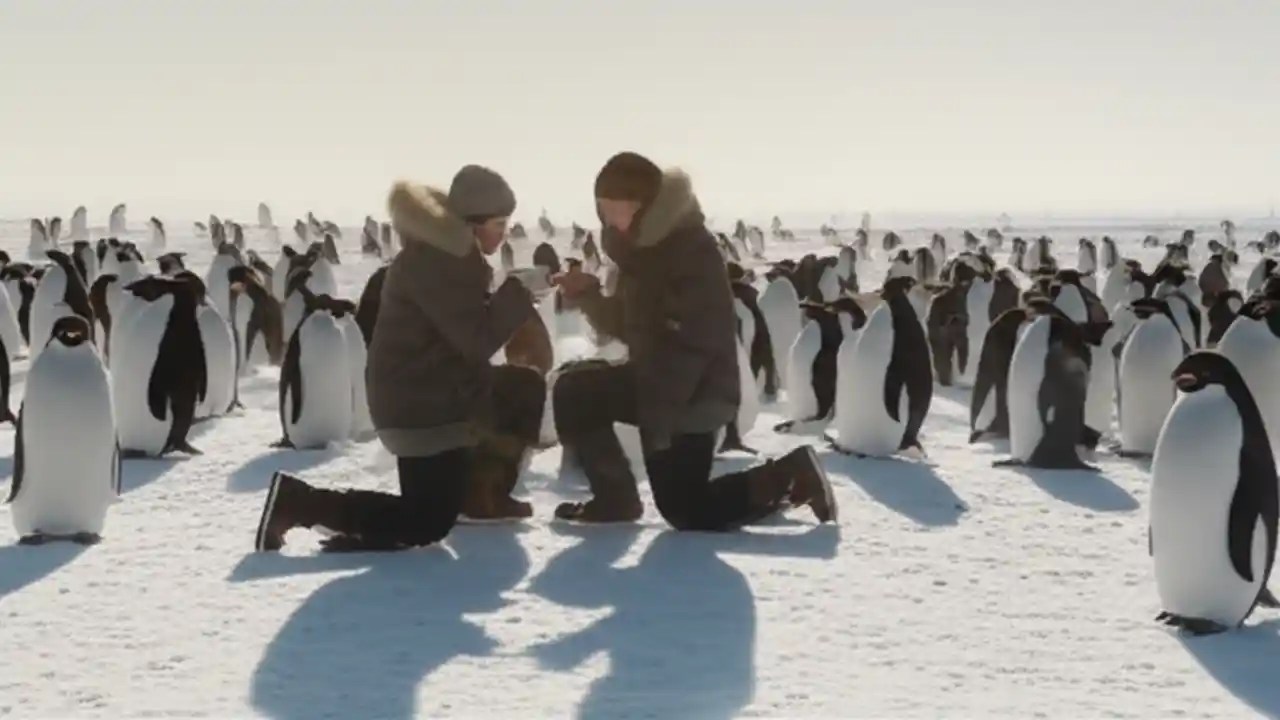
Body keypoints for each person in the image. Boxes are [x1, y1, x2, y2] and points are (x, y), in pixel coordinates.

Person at [255, 165, 545, 552]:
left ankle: (480, 495)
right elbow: (476, 340)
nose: (504, 233)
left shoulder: (449, 256)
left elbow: (461, 328)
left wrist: (515, 294)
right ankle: (302, 504)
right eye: (498, 224)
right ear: (473, 225)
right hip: (422, 410)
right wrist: (518, 292)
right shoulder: (438, 263)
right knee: (425, 523)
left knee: (522, 386)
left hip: (439, 392)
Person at [551, 152, 838, 528]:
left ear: (647, 206)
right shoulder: (642, 250)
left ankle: (789, 474)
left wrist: (661, 423)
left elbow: (692, 344)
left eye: (620, 209)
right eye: (605, 210)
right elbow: (635, 327)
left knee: (686, 509)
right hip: (658, 381)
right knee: (574, 390)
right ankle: (615, 499)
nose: (612, 220)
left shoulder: (688, 251)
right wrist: (588, 296)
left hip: (694, 394)